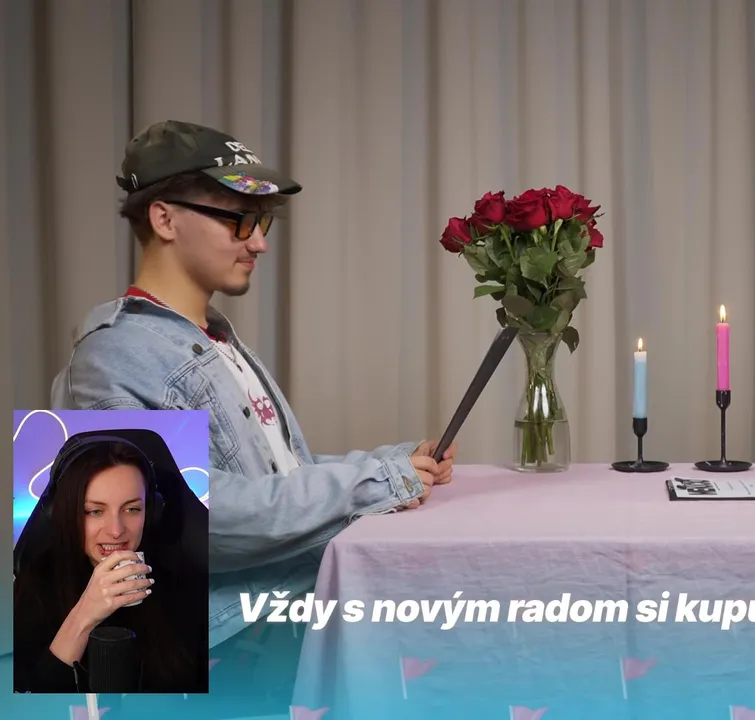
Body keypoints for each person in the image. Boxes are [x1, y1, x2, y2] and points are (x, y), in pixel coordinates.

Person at [49, 120, 456, 709]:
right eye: (239, 220)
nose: (258, 243)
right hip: (221, 650)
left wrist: (392, 463)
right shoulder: (115, 355)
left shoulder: (215, 339)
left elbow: (277, 476)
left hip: (274, 626)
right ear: (164, 219)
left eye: (262, 223)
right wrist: (373, 483)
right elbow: (190, 520)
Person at [13, 433, 207, 694]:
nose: (116, 531)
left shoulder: (185, 584)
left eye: (132, 509)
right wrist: (85, 614)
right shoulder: (32, 588)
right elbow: (29, 702)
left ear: (152, 512)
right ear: (64, 514)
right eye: (95, 511)